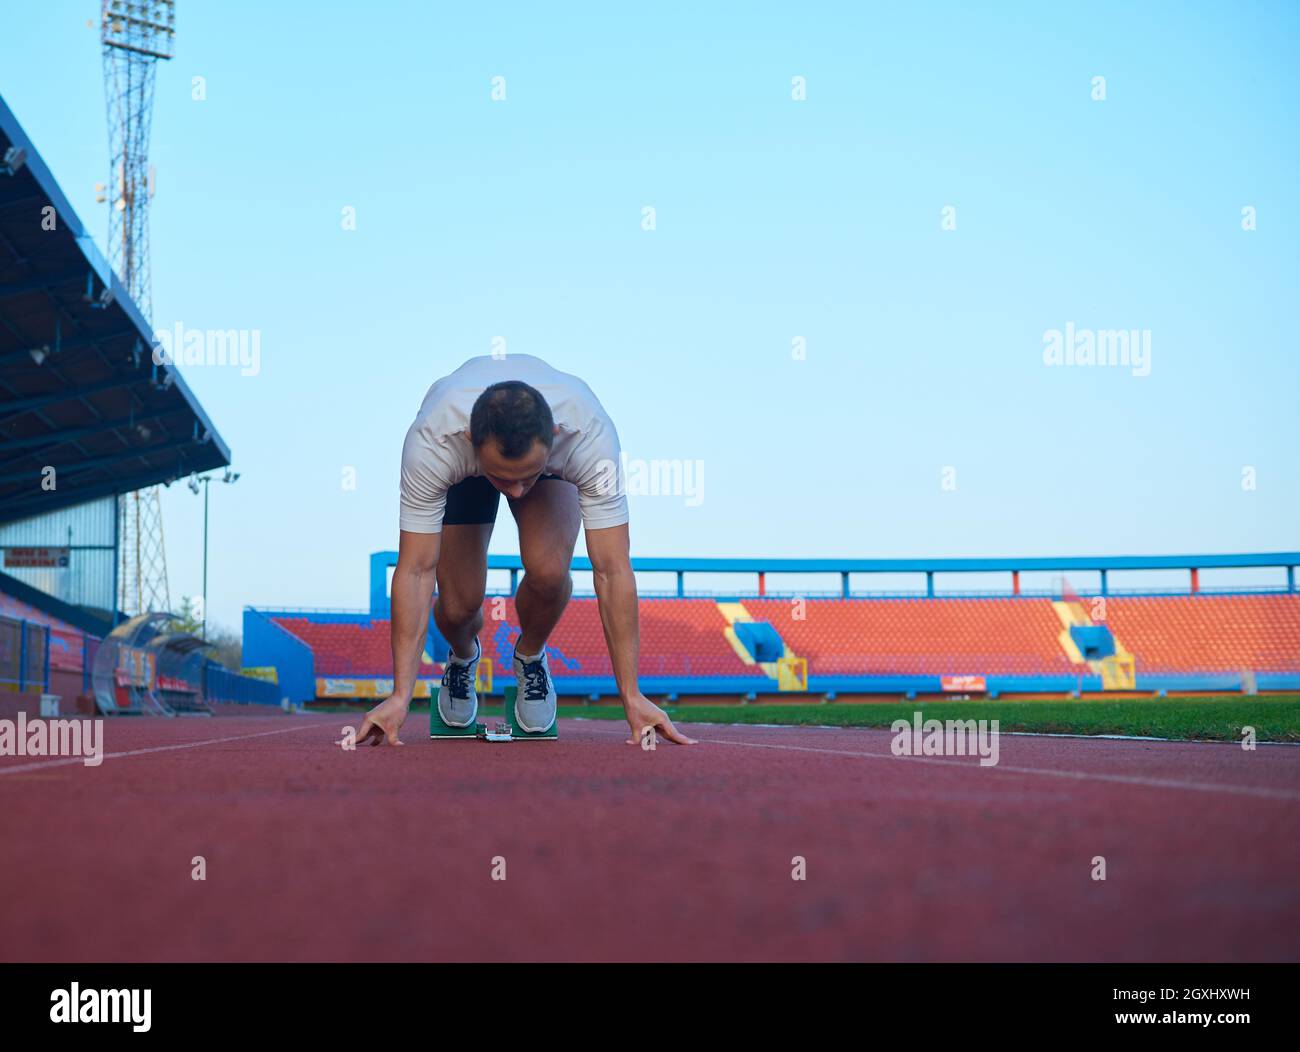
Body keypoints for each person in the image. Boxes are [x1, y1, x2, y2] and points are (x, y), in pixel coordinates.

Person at [356, 353, 697, 748]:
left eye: (526, 479)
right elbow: (415, 570)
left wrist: (632, 695)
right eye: (504, 479)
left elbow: (612, 569)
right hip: (463, 469)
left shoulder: (588, 436)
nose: (517, 492)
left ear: (553, 433)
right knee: (457, 608)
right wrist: (400, 696)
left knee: (551, 572)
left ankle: (530, 656)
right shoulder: (434, 442)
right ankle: (463, 657)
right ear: (471, 440)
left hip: (552, 462)